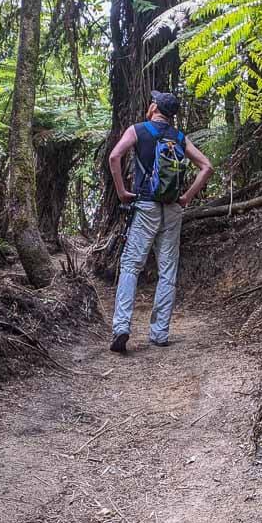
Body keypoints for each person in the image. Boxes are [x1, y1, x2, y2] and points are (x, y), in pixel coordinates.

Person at [106, 90, 214, 353]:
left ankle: (122, 326)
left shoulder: (138, 130)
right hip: (172, 209)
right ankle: (160, 333)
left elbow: (114, 157)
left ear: (154, 107)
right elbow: (207, 167)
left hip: (145, 206)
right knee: (168, 270)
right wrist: (186, 197)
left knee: (131, 265)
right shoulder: (178, 137)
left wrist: (121, 191)